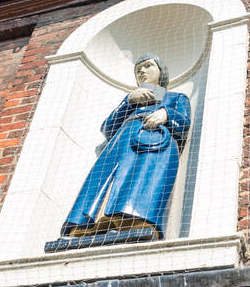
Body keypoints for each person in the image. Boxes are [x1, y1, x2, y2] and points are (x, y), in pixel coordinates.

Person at [59, 54, 191, 242]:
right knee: (107, 179)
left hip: (154, 143)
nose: (142, 71)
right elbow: (108, 128)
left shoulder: (175, 97)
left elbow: (184, 122)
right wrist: (128, 101)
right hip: (122, 142)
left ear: (161, 72)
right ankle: (91, 225)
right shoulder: (131, 101)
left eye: (148, 66)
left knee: (143, 179)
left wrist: (166, 114)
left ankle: (133, 221)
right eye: (138, 70)